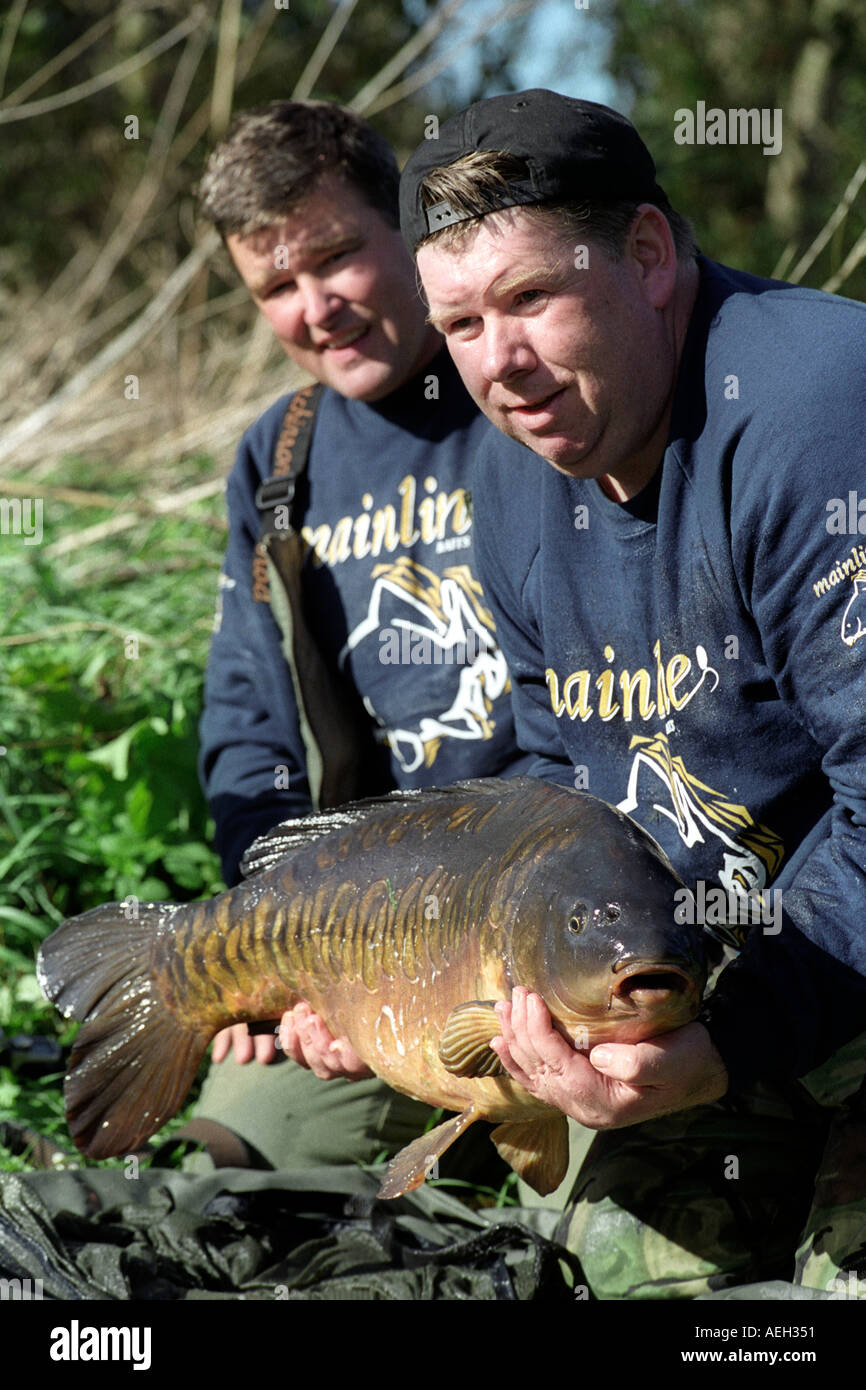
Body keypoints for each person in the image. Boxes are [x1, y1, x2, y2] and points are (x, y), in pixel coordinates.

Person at [398, 88, 866, 1297]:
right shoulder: (512, 478)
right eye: (457, 322)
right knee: (618, 1278)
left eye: (529, 298)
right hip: (703, 974)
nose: (497, 364)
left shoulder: (818, 412)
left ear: (649, 255)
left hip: (820, 964)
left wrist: (730, 1040)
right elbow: (563, 788)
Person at [185, 99, 527, 1176]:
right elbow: (248, 726)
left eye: (335, 258)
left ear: (412, 229)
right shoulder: (275, 461)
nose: (315, 308)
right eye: (275, 288)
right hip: (353, 921)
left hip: (533, 895)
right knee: (225, 1175)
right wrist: (272, 948)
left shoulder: (524, 395)